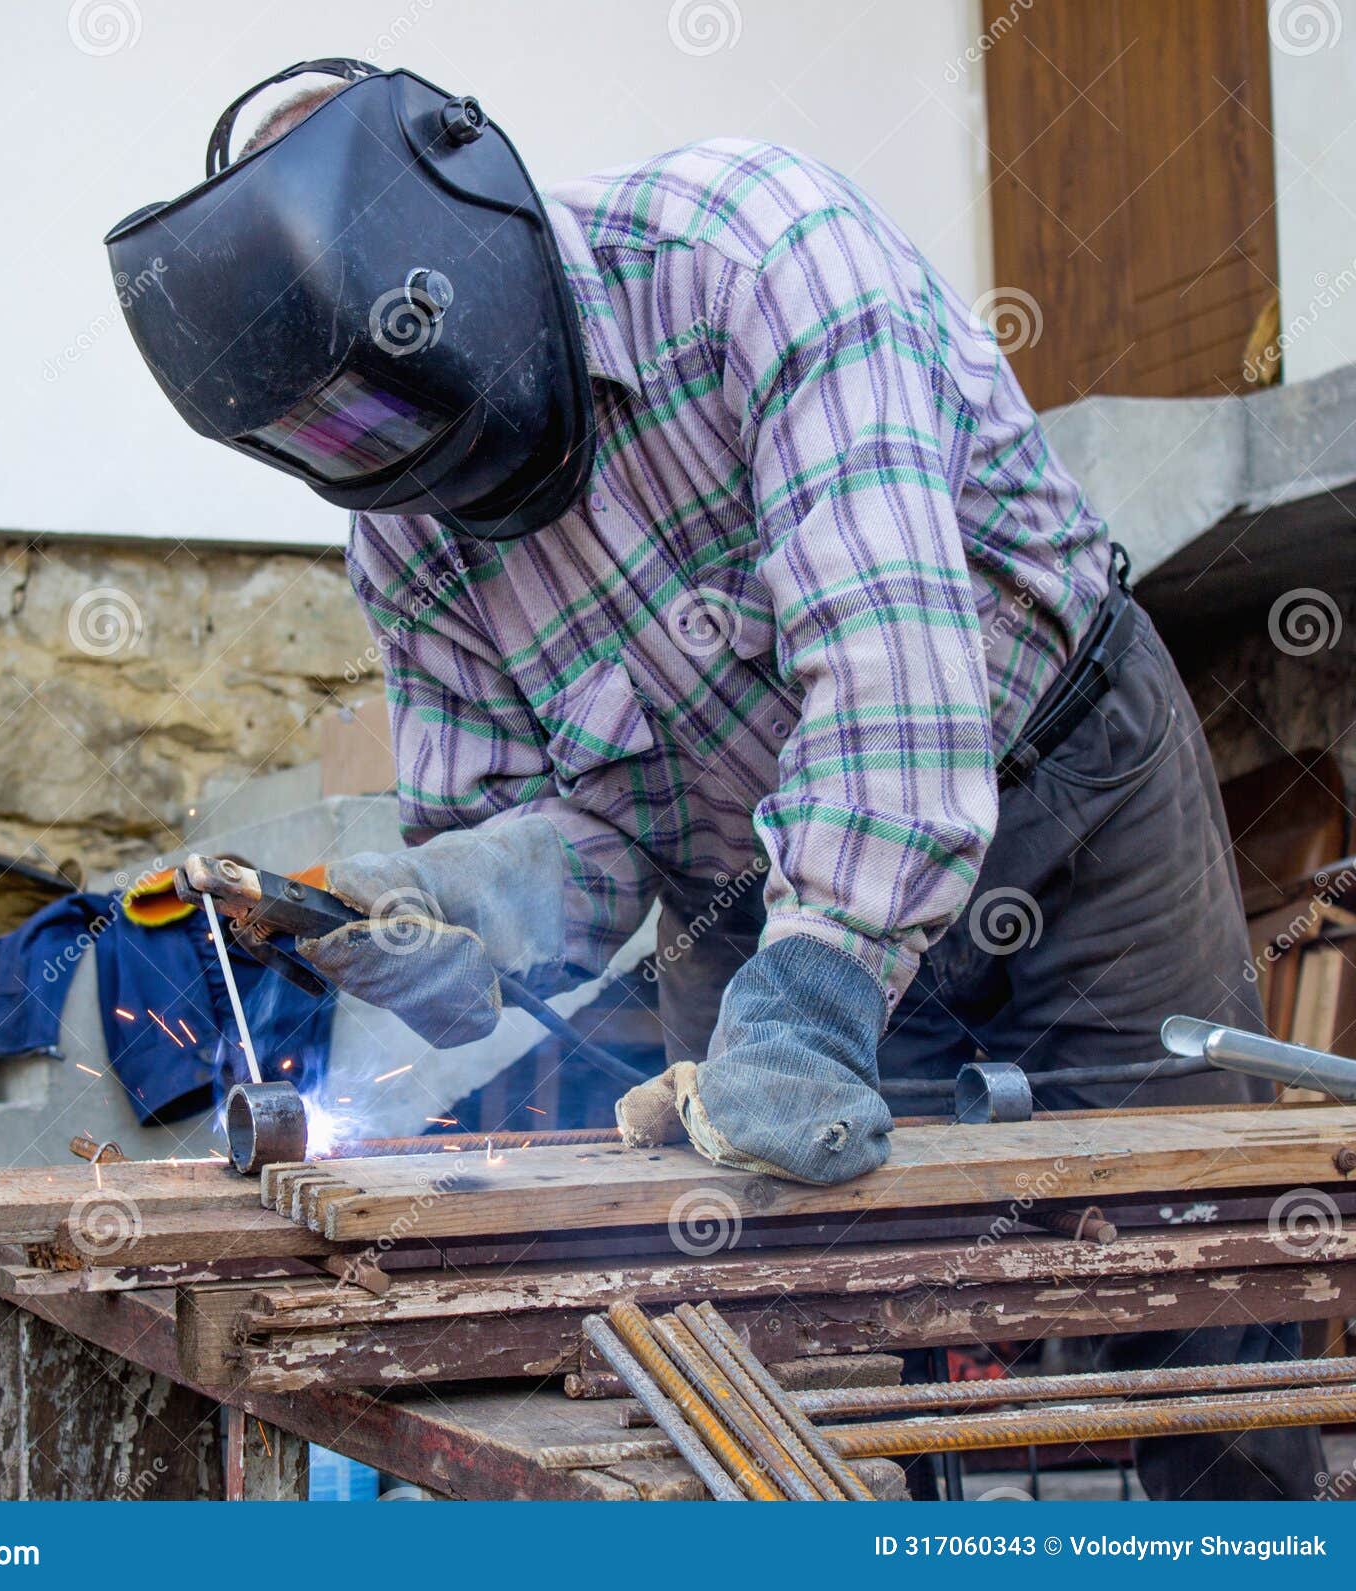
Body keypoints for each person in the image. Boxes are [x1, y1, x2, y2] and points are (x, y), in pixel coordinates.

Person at [107, 59, 1321, 1498]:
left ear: (471, 233)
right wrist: (466, 903)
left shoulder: (761, 253)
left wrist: (811, 1004)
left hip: (1066, 804)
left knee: (1196, 1280)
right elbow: (576, 836)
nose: (423, 475)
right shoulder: (408, 530)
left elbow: (887, 681)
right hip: (740, 902)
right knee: (785, 1352)